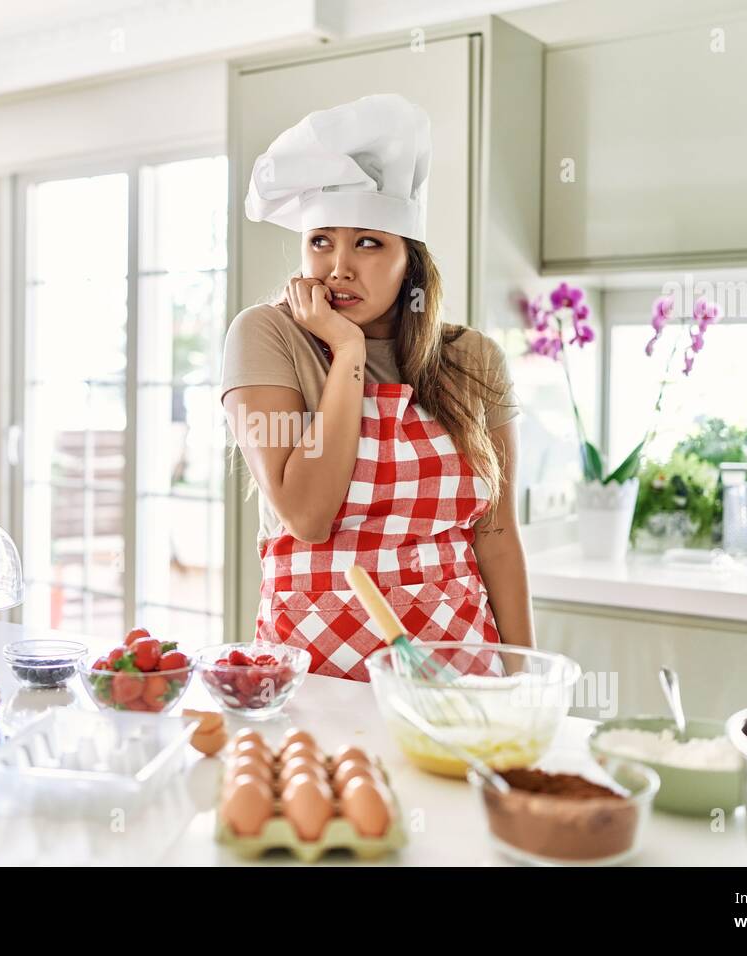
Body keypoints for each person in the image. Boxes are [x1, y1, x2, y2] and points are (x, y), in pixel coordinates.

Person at [221, 93, 535, 681]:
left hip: (460, 671)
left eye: (368, 242)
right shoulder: (266, 337)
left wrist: (524, 683)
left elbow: (495, 536)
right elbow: (307, 515)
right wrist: (346, 352)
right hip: (318, 678)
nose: (338, 267)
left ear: (409, 262)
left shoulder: (472, 359)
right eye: (321, 240)